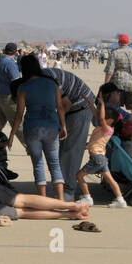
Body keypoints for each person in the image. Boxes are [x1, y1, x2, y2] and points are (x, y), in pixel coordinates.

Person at [8, 53, 65, 197]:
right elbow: (60, 107)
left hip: (32, 128)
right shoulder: (52, 83)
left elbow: (19, 114)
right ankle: (61, 200)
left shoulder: (23, 87)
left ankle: (43, 200)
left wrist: (12, 134)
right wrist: (63, 125)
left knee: (38, 164)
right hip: (52, 127)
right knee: (54, 164)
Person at [46, 64, 99, 202]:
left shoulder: (48, 80)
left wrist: (61, 125)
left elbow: (66, 104)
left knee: (71, 150)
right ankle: (60, 187)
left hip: (81, 107)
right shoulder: (39, 78)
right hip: (71, 109)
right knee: (62, 150)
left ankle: (67, 191)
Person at [78, 99, 126, 207]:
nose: (101, 118)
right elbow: (97, 115)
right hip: (101, 158)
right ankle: (120, 200)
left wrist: (103, 104)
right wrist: (90, 104)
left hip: (97, 158)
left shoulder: (107, 129)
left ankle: (87, 198)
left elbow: (100, 118)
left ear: (109, 120)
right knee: (110, 180)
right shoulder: (104, 127)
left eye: (104, 118)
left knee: (79, 176)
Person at [104, 34, 132, 124]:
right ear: (128, 42)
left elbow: (110, 71)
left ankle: (118, 125)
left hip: (118, 84)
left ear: (119, 42)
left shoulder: (115, 53)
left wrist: (106, 84)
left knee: (115, 107)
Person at [0, 42, 22, 129]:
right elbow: (16, 82)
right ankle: (30, 143)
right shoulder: (10, 63)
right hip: (8, 98)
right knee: (19, 126)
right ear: (15, 52)